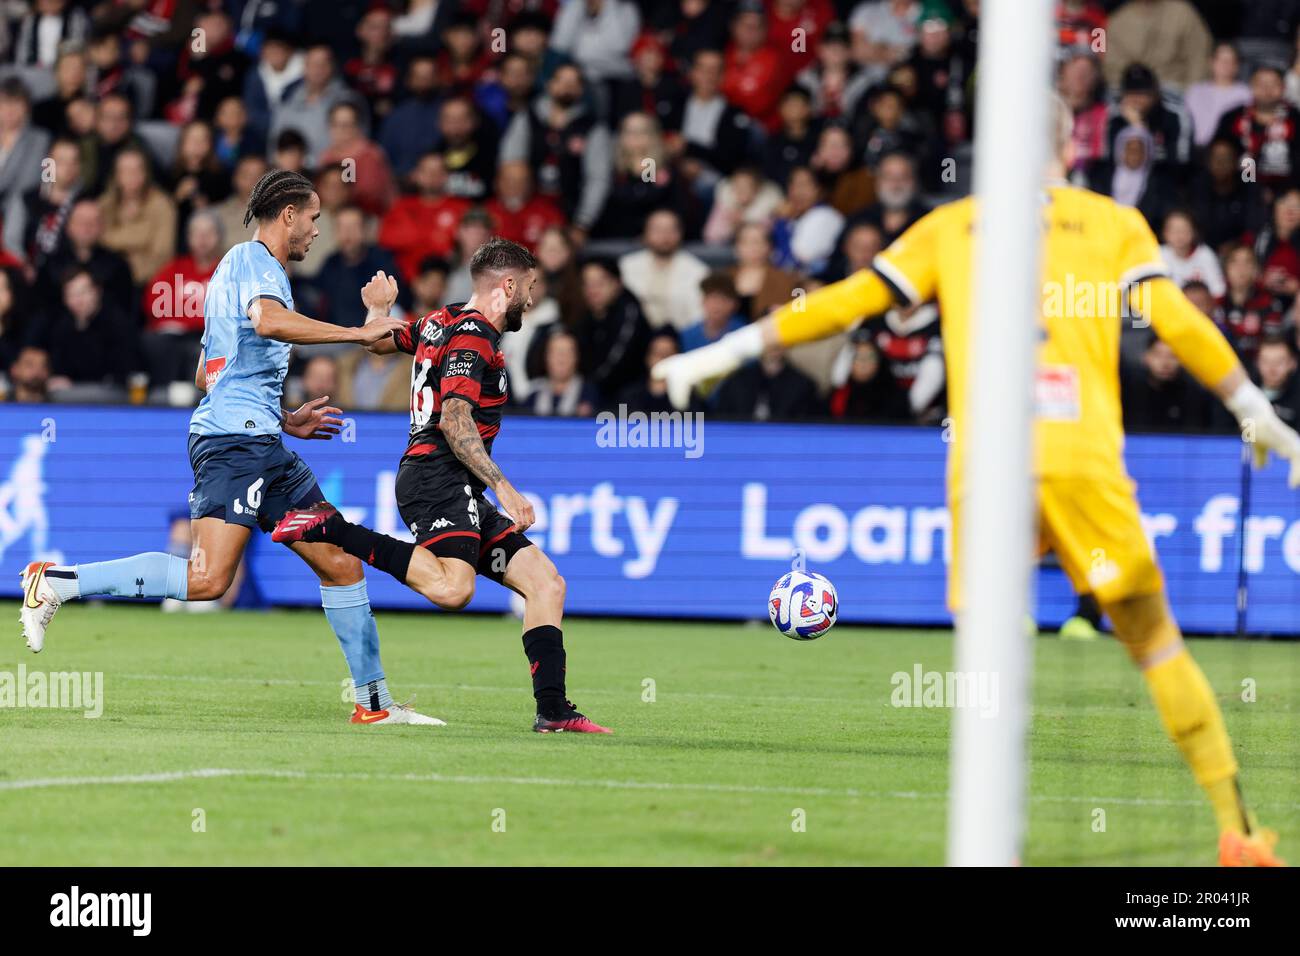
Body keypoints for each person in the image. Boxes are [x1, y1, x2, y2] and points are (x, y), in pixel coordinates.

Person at [653, 95, 1298, 866]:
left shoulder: (952, 226)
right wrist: (1254, 410)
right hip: (1081, 455)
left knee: (989, 656)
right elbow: (1179, 322)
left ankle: (989, 843)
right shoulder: (1108, 221)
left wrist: (716, 353)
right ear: (1071, 143)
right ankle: (1237, 831)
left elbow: (848, 302)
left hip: (988, 464)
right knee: (1156, 643)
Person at [20, 169, 440, 728]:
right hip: (234, 444)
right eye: (314, 218)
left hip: (263, 442)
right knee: (208, 579)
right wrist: (360, 331)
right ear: (287, 214)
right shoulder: (254, 264)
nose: (319, 230)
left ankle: (375, 705)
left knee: (340, 565)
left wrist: (284, 418)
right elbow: (267, 322)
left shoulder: (238, 270)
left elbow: (205, 372)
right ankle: (54, 583)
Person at [271, 239, 612, 734]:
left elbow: (380, 341)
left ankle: (554, 711)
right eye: (530, 288)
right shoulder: (474, 338)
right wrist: (505, 489)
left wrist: (379, 312)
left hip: (454, 482)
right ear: (508, 286)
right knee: (454, 589)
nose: (532, 300)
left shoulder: (439, 320)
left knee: (545, 583)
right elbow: (454, 419)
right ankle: (333, 529)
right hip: (438, 476)